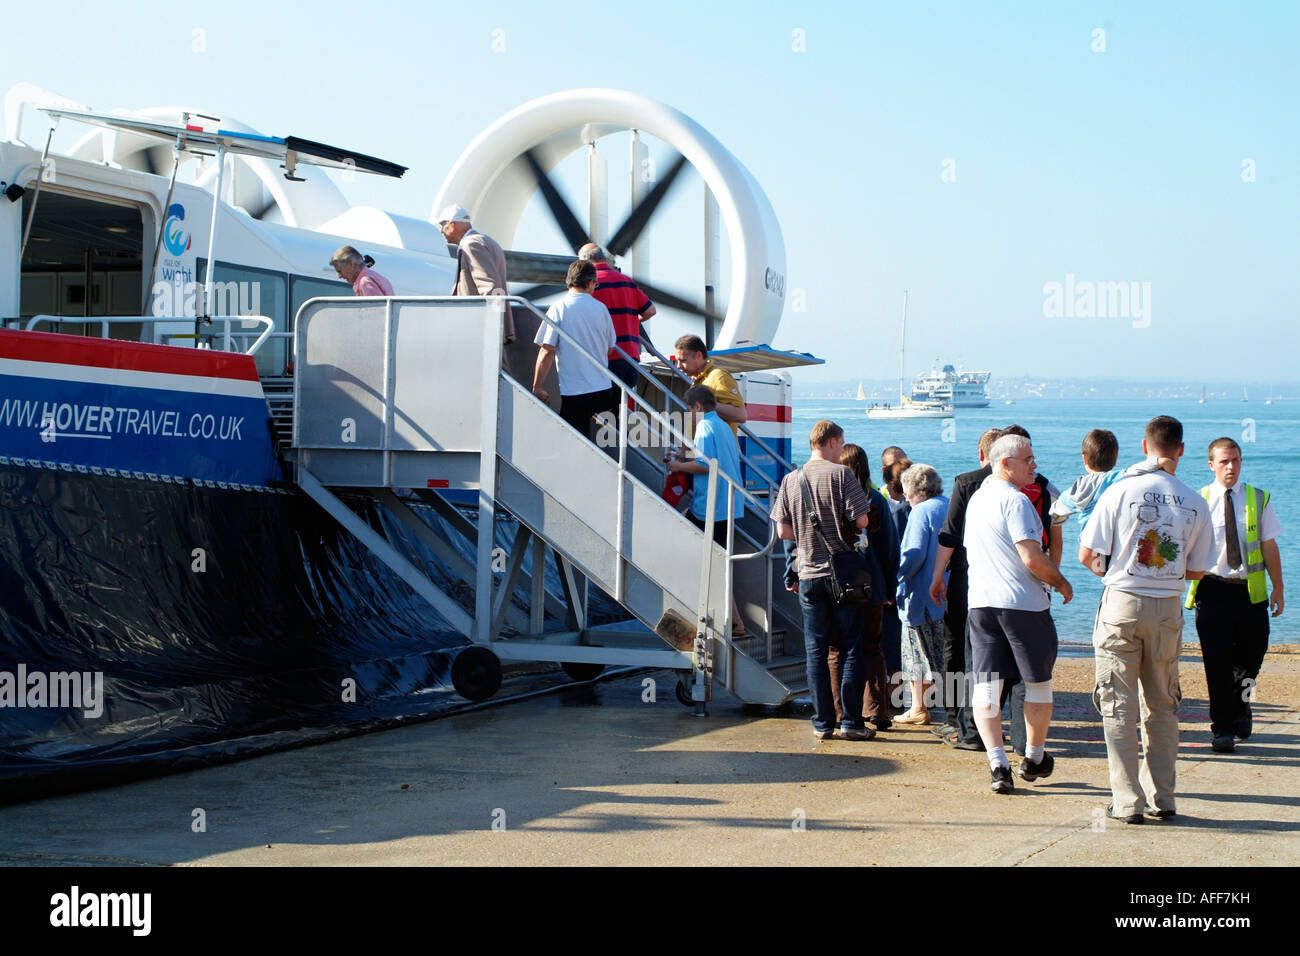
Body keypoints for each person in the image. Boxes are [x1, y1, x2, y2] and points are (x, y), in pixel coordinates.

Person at [1079, 416, 1213, 823]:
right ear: (1181, 450)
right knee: (1162, 704)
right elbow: (1198, 568)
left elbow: (1087, 554)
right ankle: (1163, 797)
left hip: (1122, 600)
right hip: (1168, 605)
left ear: (1144, 446)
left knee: (1118, 706)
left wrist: (1117, 570)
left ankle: (1126, 801)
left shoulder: (1120, 492)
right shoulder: (1195, 500)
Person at [965, 433, 1073, 793]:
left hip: (981, 603)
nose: (1034, 465)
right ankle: (1034, 756)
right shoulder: (1016, 501)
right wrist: (1060, 582)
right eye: (1028, 459)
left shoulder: (977, 499)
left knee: (987, 685)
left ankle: (997, 764)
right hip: (1022, 604)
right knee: (1038, 682)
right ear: (1005, 464)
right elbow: (1031, 556)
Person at [772, 420, 874, 741]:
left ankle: (822, 723)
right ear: (831, 442)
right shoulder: (841, 474)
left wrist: (806, 535)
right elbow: (862, 520)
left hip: (808, 576)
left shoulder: (791, 479)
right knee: (851, 646)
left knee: (815, 650)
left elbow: (782, 532)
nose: (842, 450)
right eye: (841, 445)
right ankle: (852, 722)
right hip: (842, 576)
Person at [1184, 437, 1284, 753]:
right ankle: (1222, 729)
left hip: (1250, 593)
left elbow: (1268, 544)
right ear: (1211, 464)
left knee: (1251, 659)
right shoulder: (1197, 500)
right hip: (1212, 591)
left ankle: (1242, 706)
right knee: (1217, 663)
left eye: (1236, 460)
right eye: (1225, 461)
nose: (1231, 467)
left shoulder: (1258, 498)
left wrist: (1278, 587)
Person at [930, 427, 1004, 751]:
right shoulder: (1018, 484)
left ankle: (956, 718)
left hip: (964, 574)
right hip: (1002, 579)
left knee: (956, 646)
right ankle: (992, 718)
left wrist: (937, 576)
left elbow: (949, 535)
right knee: (993, 651)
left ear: (980, 454)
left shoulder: (966, 482)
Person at [824, 443, 899, 731]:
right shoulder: (875, 501)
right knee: (871, 647)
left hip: (836, 583)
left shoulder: (832, 497)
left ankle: (839, 711)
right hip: (871, 585)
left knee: (836, 650)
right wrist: (890, 587)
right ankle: (877, 709)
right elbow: (889, 549)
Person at [668, 385, 746, 635]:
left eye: (689, 410)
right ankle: (735, 621)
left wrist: (677, 465)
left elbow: (704, 464)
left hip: (711, 505)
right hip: (728, 504)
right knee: (718, 563)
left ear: (697, 407)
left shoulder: (703, 426)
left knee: (683, 550)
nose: (689, 416)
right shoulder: (723, 426)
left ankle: (703, 613)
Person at [531, 260, 615, 442]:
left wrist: (537, 387)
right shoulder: (601, 309)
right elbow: (610, 349)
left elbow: (547, 350)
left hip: (576, 392)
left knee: (572, 441)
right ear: (590, 282)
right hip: (603, 389)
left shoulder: (559, 308)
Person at [895, 464, 949, 726]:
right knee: (943, 650)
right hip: (950, 592)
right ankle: (947, 704)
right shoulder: (949, 505)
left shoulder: (921, 512)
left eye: (906, 491)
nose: (905, 497)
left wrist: (897, 575)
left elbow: (914, 552)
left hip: (922, 593)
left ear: (916, 490)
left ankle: (918, 707)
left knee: (916, 652)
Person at [578, 244, 657, 392]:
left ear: (584, 262)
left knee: (601, 410)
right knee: (619, 408)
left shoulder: (589, 285)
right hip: (630, 360)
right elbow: (650, 311)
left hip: (604, 358)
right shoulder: (626, 281)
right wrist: (632, 322)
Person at [437, 203, 515, 344]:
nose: (442, 231)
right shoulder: (486, 241)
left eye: (443, 225)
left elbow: (490, 286)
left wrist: (493, 324)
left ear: (452, 224)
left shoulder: (470, 244)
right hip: (490, 328)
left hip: (480, 329)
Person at [672, 335, 746, 436]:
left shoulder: (718, 376)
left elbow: (740, 415)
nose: (678, 366)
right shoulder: (697, 382)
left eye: (683, 360)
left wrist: (706, 406)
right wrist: (683, 450)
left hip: (717, 450)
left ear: (698, 355)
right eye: (677, 361)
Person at [1050, 429, 1124, 531]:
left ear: (1084, 458)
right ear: (1115, 459)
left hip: (1090, 543)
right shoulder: (1122, 479)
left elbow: (1056, 509)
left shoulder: (1082, 486)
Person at [329, 246, 393, 296]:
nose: (340, 276)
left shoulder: (365, 282)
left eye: (340, 271)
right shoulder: (377, 277)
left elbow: (376, 311)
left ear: (352, 265)